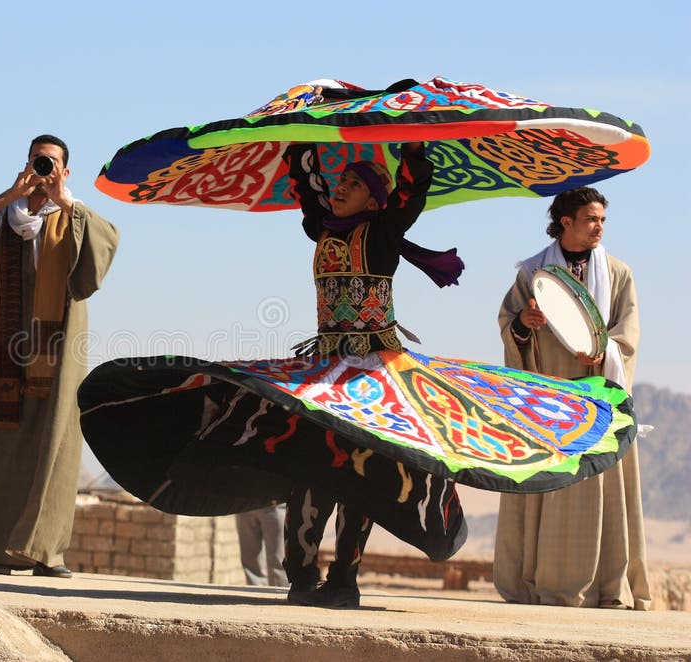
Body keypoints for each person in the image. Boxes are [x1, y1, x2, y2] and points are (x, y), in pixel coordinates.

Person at [280, 138, 463, 608]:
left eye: (353, 184)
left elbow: (410, 191)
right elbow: (308, 185)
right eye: (340, 181)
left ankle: (344, 580)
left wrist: (412, 144)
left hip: (373, 374)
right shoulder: (322, 228)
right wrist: (303, 136)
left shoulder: (381, 233)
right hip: (323, 368)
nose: (340, 188)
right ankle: (301, 578)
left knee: (360, 473)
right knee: (310, 468)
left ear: (375, 199)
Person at [0, 134, 119, 577]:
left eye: (52, 163)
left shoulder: (75, 218)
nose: (44, 171)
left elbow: (103, 250)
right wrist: (9, 196)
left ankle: (44, 551)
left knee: (54, 438)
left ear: (65, 170)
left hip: (55, 345)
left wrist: (64, 201)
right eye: (38, 162)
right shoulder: (3, 219)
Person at [493, 186, 650, 610]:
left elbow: (628, 333)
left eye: (602, 220)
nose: (599, 227)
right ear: (566, 223)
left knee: (602, 487)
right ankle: (534, 582)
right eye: (591, 219)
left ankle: (607, 589)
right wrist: (523, 323)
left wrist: (605, 351)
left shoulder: (618, 273)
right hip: (548, 401)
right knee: (549, 484)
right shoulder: (531, 273)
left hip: (599, 397)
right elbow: (510, 325)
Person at [234, 502, 289, 587]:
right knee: (251, 562)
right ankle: (256, 596)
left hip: (275, 504)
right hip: (245, 505)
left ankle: (279, 597)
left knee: (279, 563)